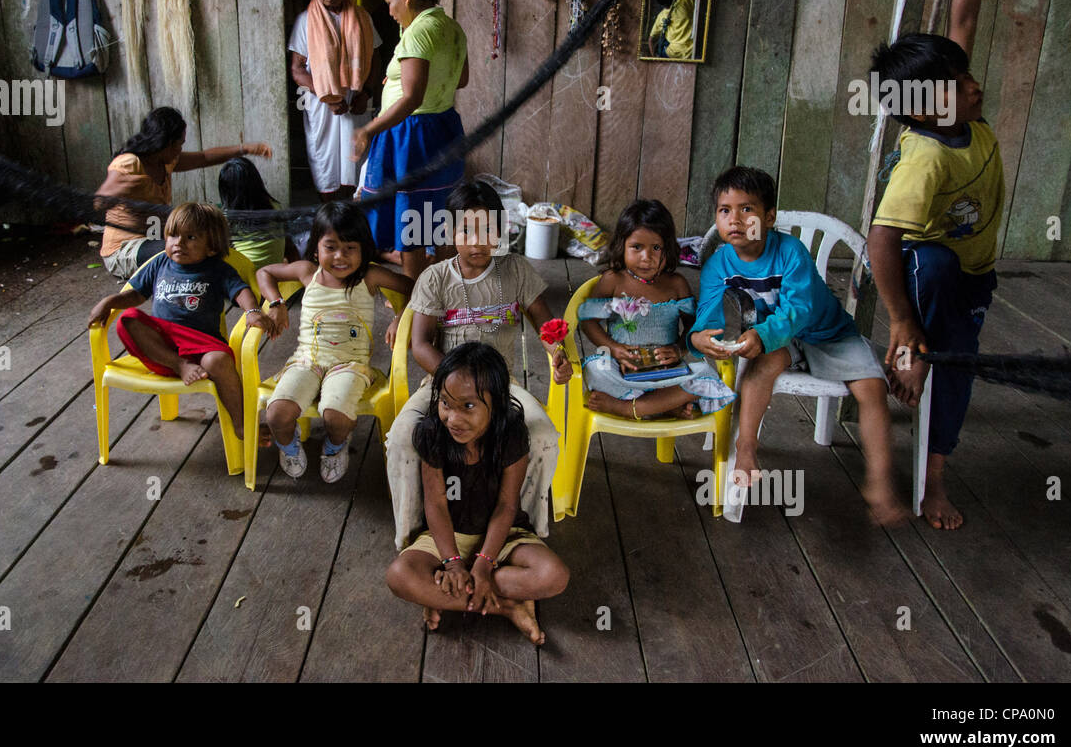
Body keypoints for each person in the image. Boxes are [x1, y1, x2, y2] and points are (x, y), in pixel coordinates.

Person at [866, 0, 996, 531]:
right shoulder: (923, 160)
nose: (976, 86)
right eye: (960, 80)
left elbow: (963, 17)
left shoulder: (951, 103)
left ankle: (924, 358)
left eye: (965, 74)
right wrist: (900, 322)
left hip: (973, 272)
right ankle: (930, 474)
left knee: (961, 358)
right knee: (939, 322)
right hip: (922, 269)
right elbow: (881, 241)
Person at [689, 167, 909, 526]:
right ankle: (746, 448)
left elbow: (799, 310)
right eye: (724, 210)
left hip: (828, 332)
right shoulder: (718, 264)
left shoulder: (791, 251)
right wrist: (700, 338)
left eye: (747, 209)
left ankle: (880, 485)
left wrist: (762, 335)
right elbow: (706, 317)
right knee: (760, 368)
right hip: (778, 339)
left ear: (769, 217)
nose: (735, 220)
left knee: (871, 388)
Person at [385, 179, 571, 551]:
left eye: (488, 230)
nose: (477, 242)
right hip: (442, 389)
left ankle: (525, 534)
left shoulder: (516, 271)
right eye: (466, 230)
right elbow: (420, 345)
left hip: (503, 386)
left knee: (544, 438)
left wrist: (557, 354)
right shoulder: (436, 277)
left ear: (500, 232)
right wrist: (456, 384)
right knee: (402, 440)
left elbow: (547, 327)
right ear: (450, 232)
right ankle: (412, 538)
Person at [385, 343, 570, 645]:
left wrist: (483, 565)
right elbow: (436, 504)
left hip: (503, 534)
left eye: (468, 406)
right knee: (399, 575)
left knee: (553, 575)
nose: (453, 419)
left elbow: (507, 505)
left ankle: (445, 595)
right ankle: (507, 606)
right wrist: (453, 563)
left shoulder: (511, 435)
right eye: (446, 403)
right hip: (448, 536)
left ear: (496, 404)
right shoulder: (432, 433)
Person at [254, 201, 413, 483]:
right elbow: (263, 272)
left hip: (350, 366)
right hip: (306, 361)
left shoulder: (370, 276)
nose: (340, 256)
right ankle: (288, 448)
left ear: (363, 249)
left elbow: (414, 287)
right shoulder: (307, 272)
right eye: (331, 247)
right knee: (277, 414)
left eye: (350, 248)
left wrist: (400, 315)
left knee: (336, 417)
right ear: (316, 247)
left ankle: (335, 447)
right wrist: (276, 302)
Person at [87, 203, 264, 432]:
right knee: (127, 320)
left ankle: (240, 424)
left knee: (218, 362)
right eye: (173, 235)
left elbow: (240, 290)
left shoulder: (217, 268)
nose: (178, 243)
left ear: (211, 247)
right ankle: (181, 365)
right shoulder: (160, 263)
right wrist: (107, 302)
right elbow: (135, 295)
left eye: (190, 237)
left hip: (202, 343)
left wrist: (252, 312)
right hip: (164, 350)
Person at [351, 0, 469, 281]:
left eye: (390, 3)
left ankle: (414, 296)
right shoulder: (451, 28)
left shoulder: (419, 32)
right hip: (443, 126)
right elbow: (461, 79)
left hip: (412, 135)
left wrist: (368, 129)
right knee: (439, 215)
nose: (389, 12)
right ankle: (445, 286)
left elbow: (412, 98)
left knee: (412, 221)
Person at [580, 199, 735, 421]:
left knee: (704, 374)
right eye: (636, 247)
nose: (646, 257)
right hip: (624, 367)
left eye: (656, 248)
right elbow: (587, 320)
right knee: (596, 369)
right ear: (621, 246)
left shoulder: (676, 284)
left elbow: (693, 326)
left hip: (667, 370)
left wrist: (679, 350)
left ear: (668, 249)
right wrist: (614, 349)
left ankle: (626, 407)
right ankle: (665, 405)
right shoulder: (613, 281)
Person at [95, 106, 272, 279]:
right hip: (125, 250)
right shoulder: (129, 163)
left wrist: (245, 149)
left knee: (210, 240)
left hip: (157, 238)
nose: (180, 150)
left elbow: (203, 158)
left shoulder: (164, 161)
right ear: (164, 143)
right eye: (179, 144)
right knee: (187, 249)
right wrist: (119, 188)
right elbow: (98, 202)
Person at [288, 0, 383, 201]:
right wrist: (325, 96)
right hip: (323, 108)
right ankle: (329, 217)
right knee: (325, 163)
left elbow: (376, 59)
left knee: (355, 160)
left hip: (356, 103)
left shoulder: (363, 18)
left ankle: (353, 217)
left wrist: (367, 94)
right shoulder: (305, 22)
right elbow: (297, 69)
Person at [218, 156, 296, 269]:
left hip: (247, 277)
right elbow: (288, 246)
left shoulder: (229, 219)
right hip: (273, 273)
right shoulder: (276, 207)